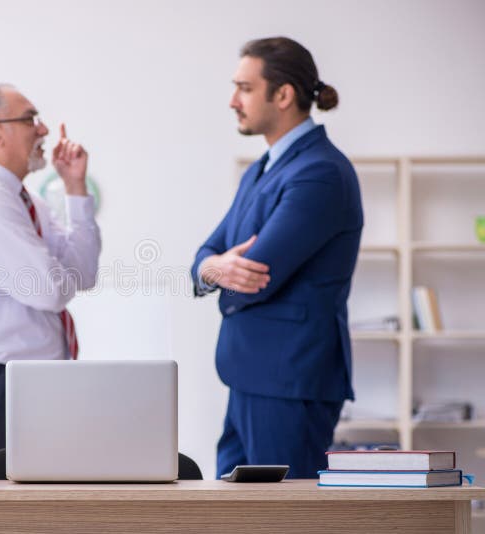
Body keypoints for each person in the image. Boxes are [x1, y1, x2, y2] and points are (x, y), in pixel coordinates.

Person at [190, 37, 363, 479]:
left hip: (290, 379)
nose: (233, 100)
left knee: (286, 518)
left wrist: (216, 273)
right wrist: (213, 268)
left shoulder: (320, 173)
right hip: (249, 376)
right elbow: (206, 255)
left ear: (283, 94)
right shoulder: (261, 169)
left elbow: (256, 276)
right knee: (237, 516)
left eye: (244, 88)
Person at [0, 83, 101, 479]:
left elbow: (83, 273)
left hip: (30, 385)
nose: (44, 129)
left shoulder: (25, 200)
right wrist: (53, 273)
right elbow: (48, 290)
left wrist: (75, 187)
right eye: (30, 119)